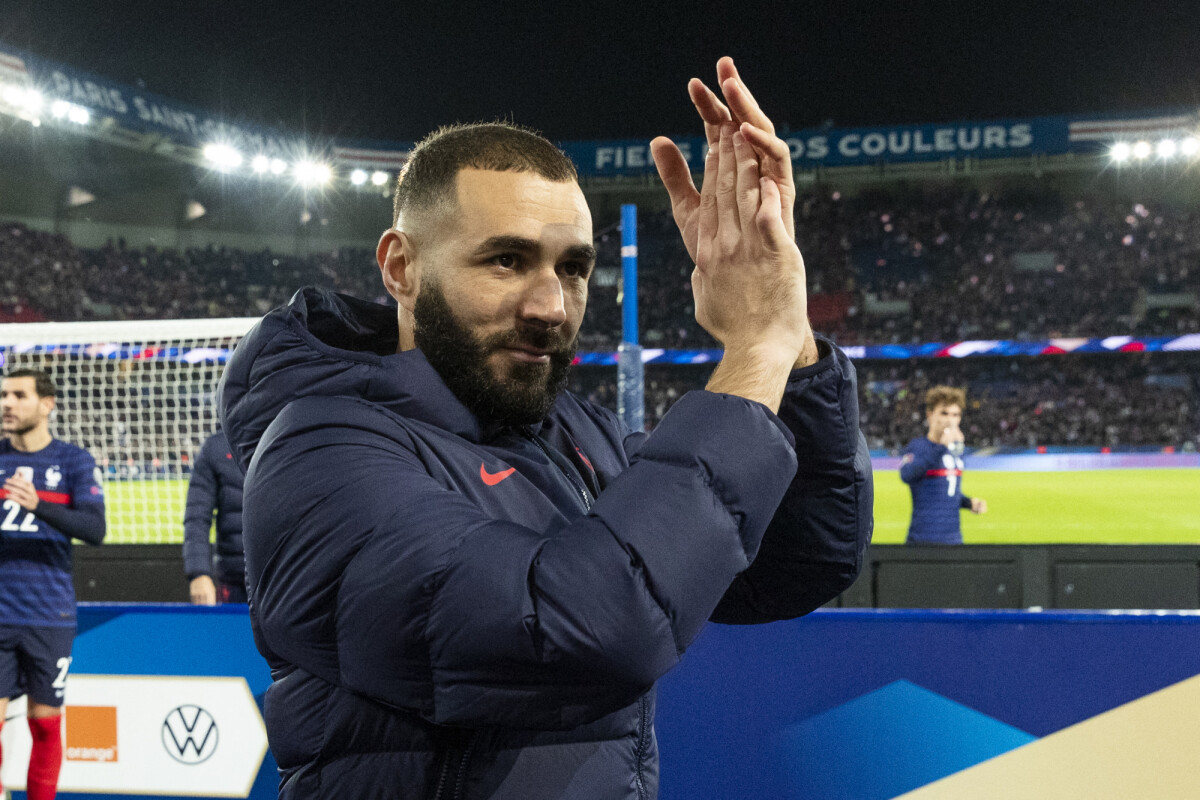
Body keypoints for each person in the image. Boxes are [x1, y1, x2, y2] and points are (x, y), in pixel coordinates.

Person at [220, 57, 872, 799]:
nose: (551, 305)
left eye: (573, 269)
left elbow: (793, 566)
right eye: (506, 259)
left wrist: (796, 343)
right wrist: (754, 351)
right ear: (401, 268)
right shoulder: (319, 453)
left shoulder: (572, 435)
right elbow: (581, 633)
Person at [0, 368, 105, 800]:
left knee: (45, 724)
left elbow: (95, 529)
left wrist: (38, 505)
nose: (7, 403)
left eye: (18, 395)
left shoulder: (73, 460)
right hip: (0, 613)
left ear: (47, 404)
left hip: (49, 613)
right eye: (3, 395)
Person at [900, 385, 988, 544]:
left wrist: (968, 503)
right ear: (930, 415)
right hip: (921, 541)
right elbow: (906, 475)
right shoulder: (918, 446)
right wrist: (940, 447)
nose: (950, 420)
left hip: (954, 540)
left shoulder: (957, 451)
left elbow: (947, 493)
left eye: (955, 414)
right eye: (944, 413)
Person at [182, 428, 245, 604]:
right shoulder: (216, 447)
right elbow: (196, 517)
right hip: (235, 580)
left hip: (286, 580)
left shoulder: (291, 438)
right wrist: (199, 573)